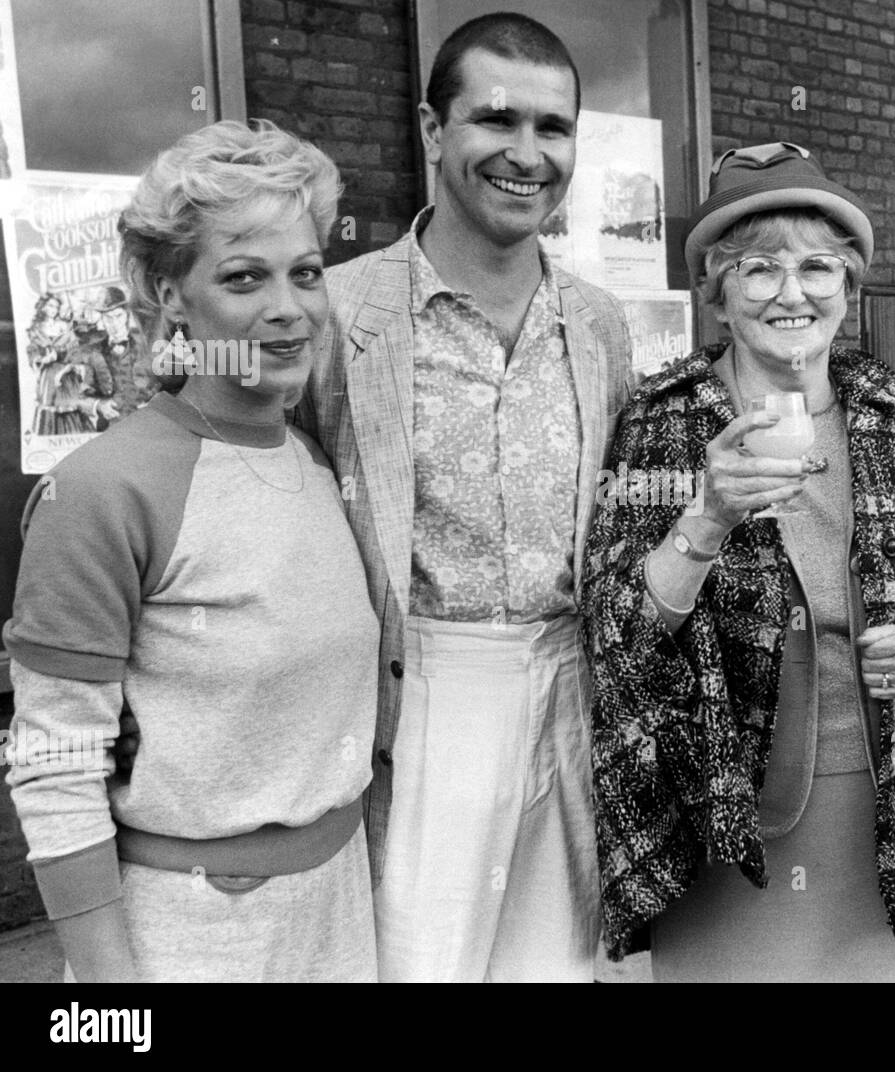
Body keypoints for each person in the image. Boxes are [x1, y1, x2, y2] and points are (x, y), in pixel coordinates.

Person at [580, 142, 895, 982]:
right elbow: (617, 641)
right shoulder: (663, 419)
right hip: (724, 819)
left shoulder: (893, 416)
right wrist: (707, 519)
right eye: (758, 270)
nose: (792, 294)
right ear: (717, 294)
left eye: (818, 267)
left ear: (849, 289)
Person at [297, 12, 634, 982]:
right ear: (433, 130)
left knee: (555, 968)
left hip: (569, 689)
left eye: (552, 127)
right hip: (420, 693)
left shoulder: (599, 323)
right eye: (496, 119)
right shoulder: (339, 312)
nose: (527, 154)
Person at [3, 120, 380, 982]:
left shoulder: (315, 462)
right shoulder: (102, 490)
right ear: (170, 294)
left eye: (306, 272)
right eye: (244, 277)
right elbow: (56, 762)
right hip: (187, 941)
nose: (288, 308)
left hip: (339, 920)